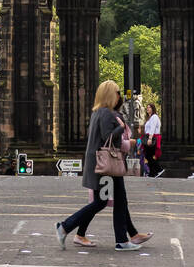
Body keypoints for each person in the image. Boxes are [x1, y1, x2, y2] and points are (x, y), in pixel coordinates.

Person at [56, 79, 154, 251]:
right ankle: (65, 226)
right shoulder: (107, 114)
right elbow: (108, 137)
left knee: (120, 200)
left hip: (100, 164)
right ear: (110, 94)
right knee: (101, 202)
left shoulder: (97, 112)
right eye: (117, 92)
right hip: (106, 166)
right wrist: (121, 128)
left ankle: (124, 239)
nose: (119, 96)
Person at [144, 101, 163, 178]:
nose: (147, 108)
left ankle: (159, 169)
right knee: (149, 155)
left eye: (149, 107)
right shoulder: (150, 118)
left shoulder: (154, 117)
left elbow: (152, 128)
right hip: (149, 137)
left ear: (152, 109)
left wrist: (150, 138)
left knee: (149, 155)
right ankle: (152, 173)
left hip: (153, 138)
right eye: (147, 107)